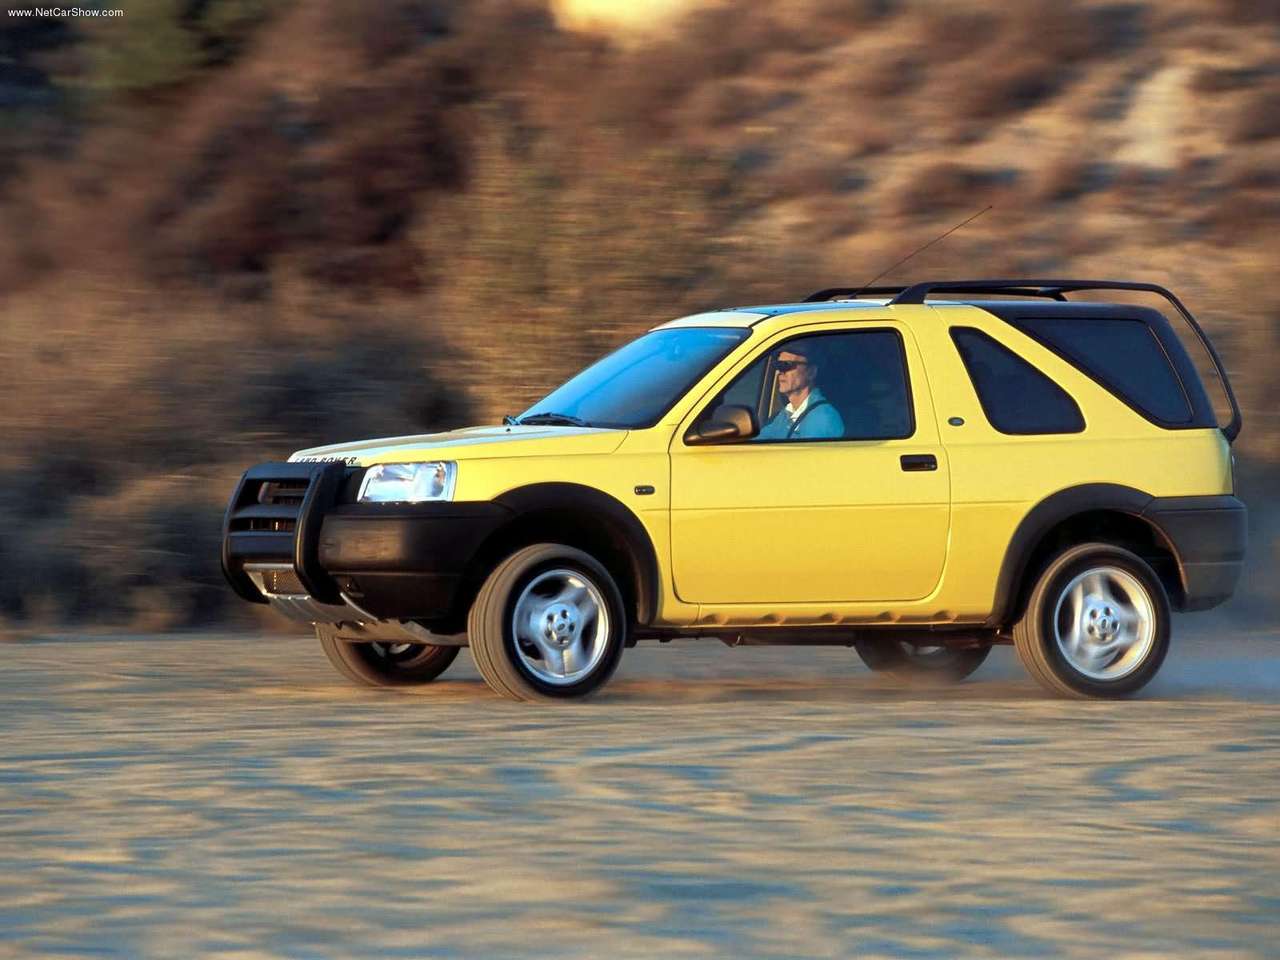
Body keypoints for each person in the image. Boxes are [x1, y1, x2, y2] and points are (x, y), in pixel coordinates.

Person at [756, 341, 845, 440]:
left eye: (787, 365)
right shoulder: (786, 414)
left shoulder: (822, 418)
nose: (780, 372)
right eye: (778, 365)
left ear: (811, 372)